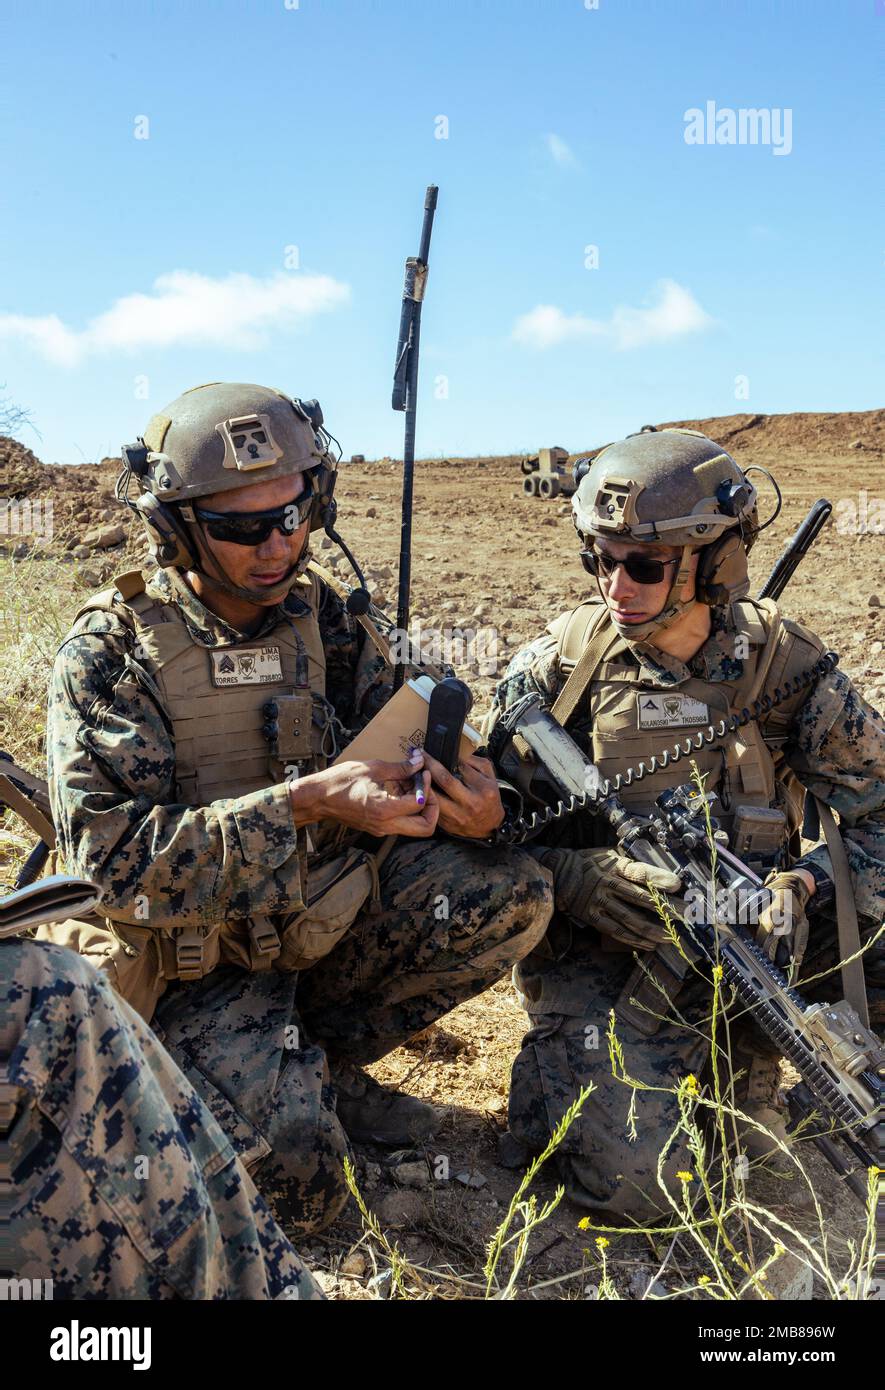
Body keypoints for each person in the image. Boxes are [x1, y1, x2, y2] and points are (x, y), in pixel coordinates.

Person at [41, 382, 552, 1237]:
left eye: (295, 512)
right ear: (176, 527)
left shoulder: (331, 622)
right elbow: (111, 869)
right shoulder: (113, 652)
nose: (279, 544)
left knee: (508, 892)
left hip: (312, 929)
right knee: (304, 1190)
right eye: (242, 527)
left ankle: (314, 1061)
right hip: (190, 971)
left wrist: (476, 804)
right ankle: (245, 1078)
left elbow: (413, 730)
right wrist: (304, 805)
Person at [483, 427, 885, 1221]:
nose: (616, 586)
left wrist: (804, 885)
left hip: (761, 942)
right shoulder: (559, 669)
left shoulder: (783, 666)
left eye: (643, 565)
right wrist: (578, 876)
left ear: (715, 562)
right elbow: (478, 831)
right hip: (620, 960)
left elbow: (878, 815)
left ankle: (748, 1070)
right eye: (600, 559)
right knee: (642, 1184)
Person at [1, 887, 322, 1300]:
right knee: (301, 1170)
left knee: (309, 1158)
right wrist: (279, 840)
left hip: (242, 961)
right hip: (154, 980)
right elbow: (110, 868)